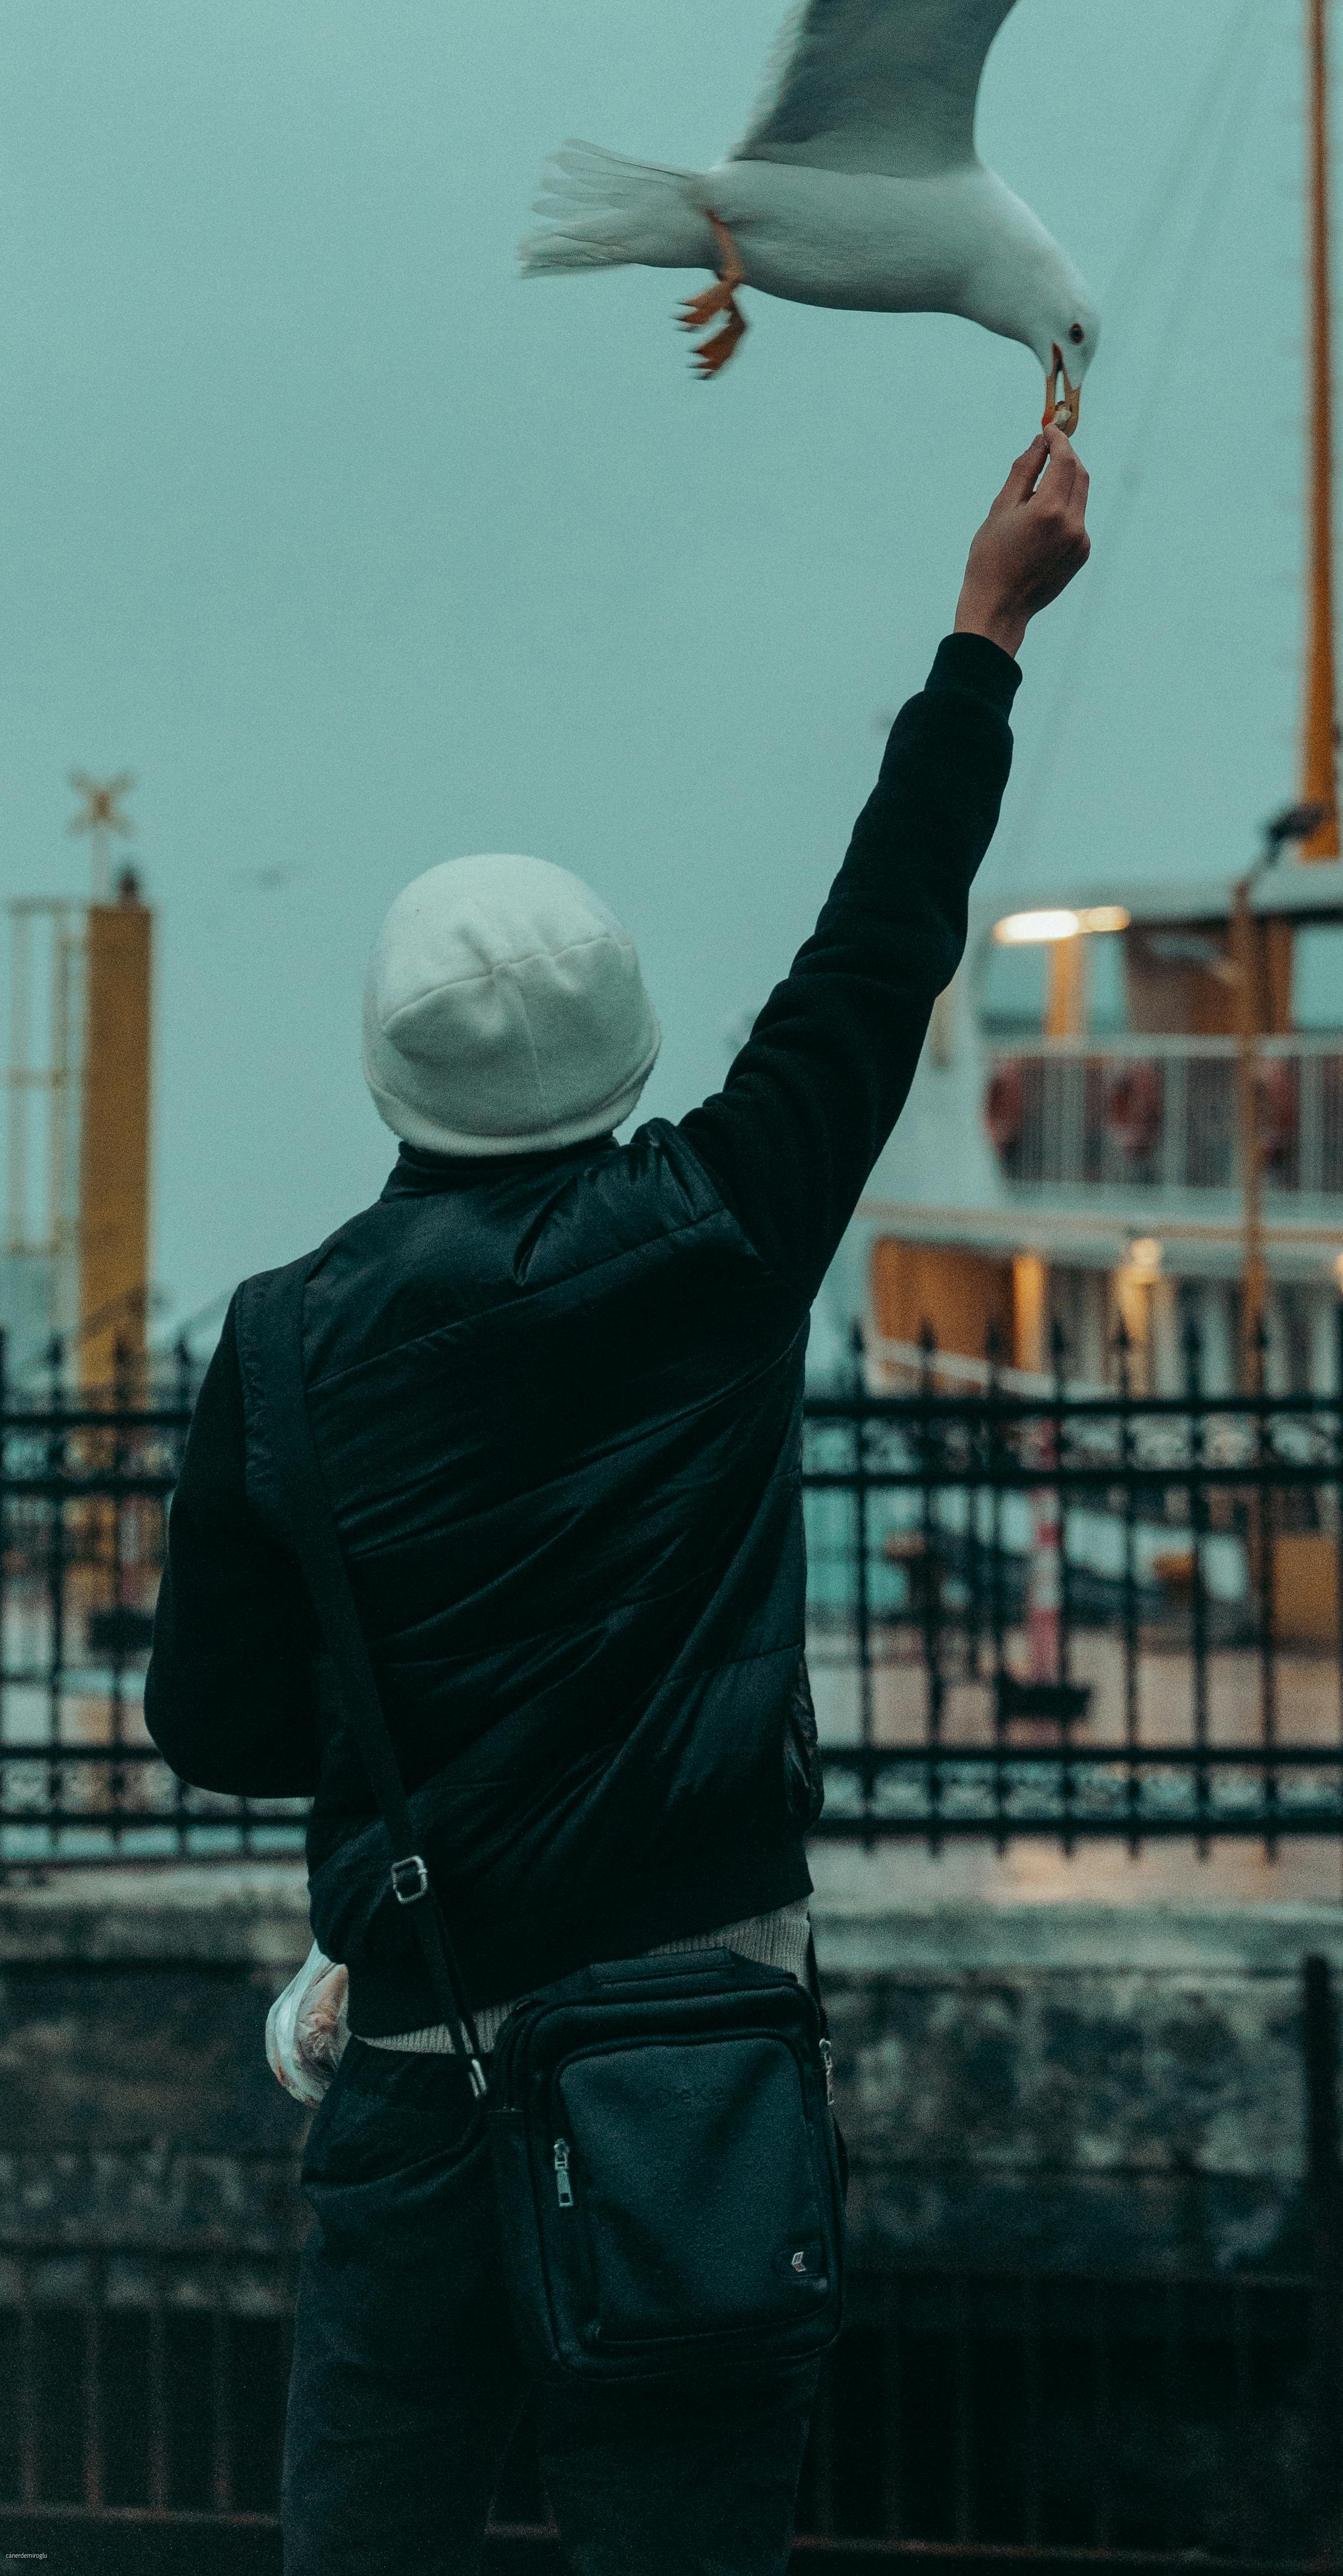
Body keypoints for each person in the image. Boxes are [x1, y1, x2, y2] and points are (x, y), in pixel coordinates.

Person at [144, 423, 1091, 2576]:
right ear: (625, 1043)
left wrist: (409, 1729)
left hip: (419, 2056)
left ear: (390, 1069)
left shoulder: (282, 1345)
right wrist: (985, 627)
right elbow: (875, 953)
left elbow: (211, 1720)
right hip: (696, 2067)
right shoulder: (720, 1235)